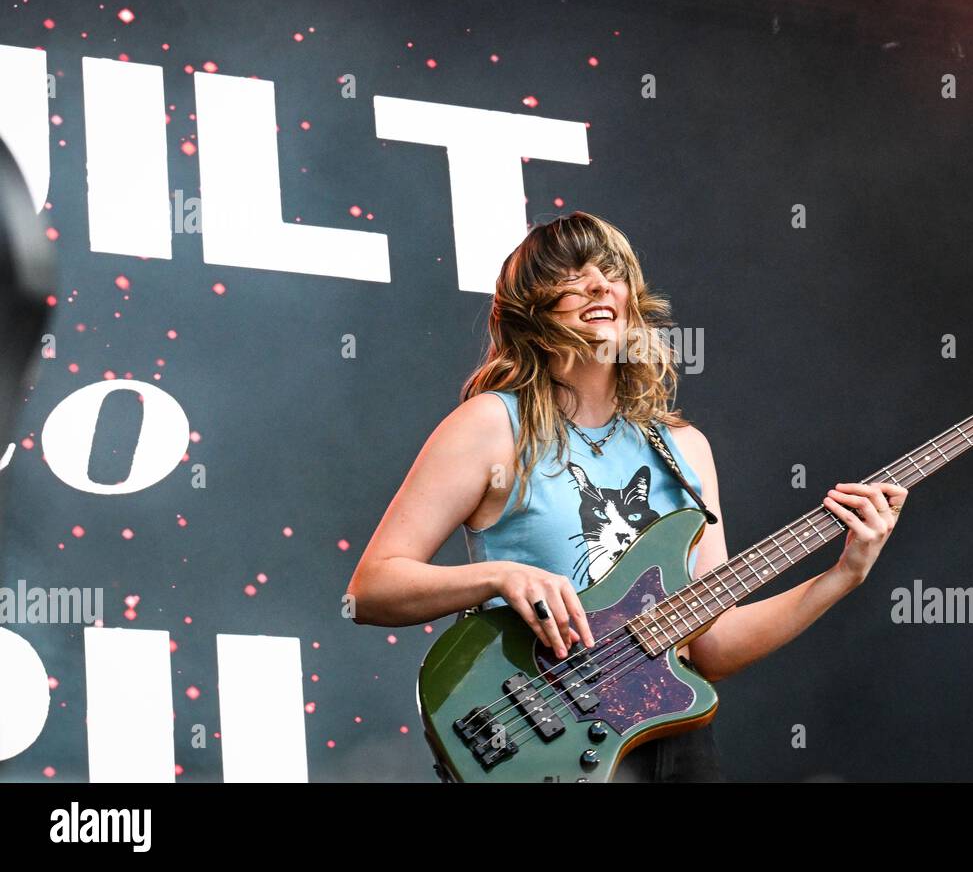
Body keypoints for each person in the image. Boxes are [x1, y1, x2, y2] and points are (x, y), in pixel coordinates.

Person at [346, 210, 907, 782]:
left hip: (673, 743)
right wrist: (500, 577)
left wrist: (843, 575)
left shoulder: (685, 448)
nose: (599, 284)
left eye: (612, 271)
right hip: (539, 737)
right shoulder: (492, 426)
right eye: (571, 273)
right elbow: (371, 590)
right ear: (530, 308)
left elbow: (711, 647)